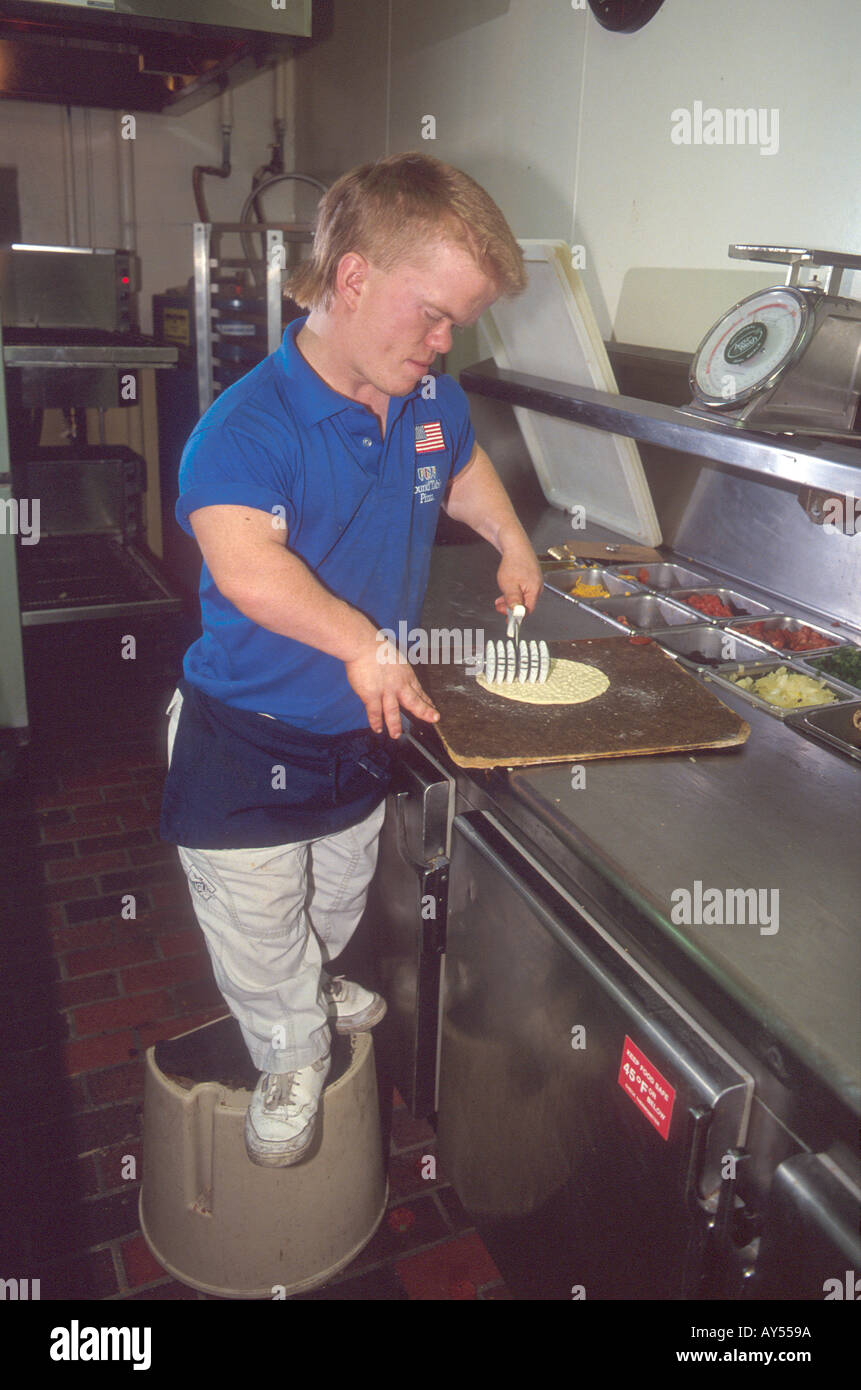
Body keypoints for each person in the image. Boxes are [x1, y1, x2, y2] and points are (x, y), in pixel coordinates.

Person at [160, 151, 543, 1167]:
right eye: (431, 313)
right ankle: (287, 1049)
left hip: (354, 731)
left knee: (331, 898)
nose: (444, 340)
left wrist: (510, 540)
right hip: (246, 736)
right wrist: (363, 643)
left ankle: (314, 981)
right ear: (354, 278)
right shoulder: (243, 429)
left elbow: (465, 475)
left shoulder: (431, 404)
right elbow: (246, 567)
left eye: (459, 320)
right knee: (258, 924)